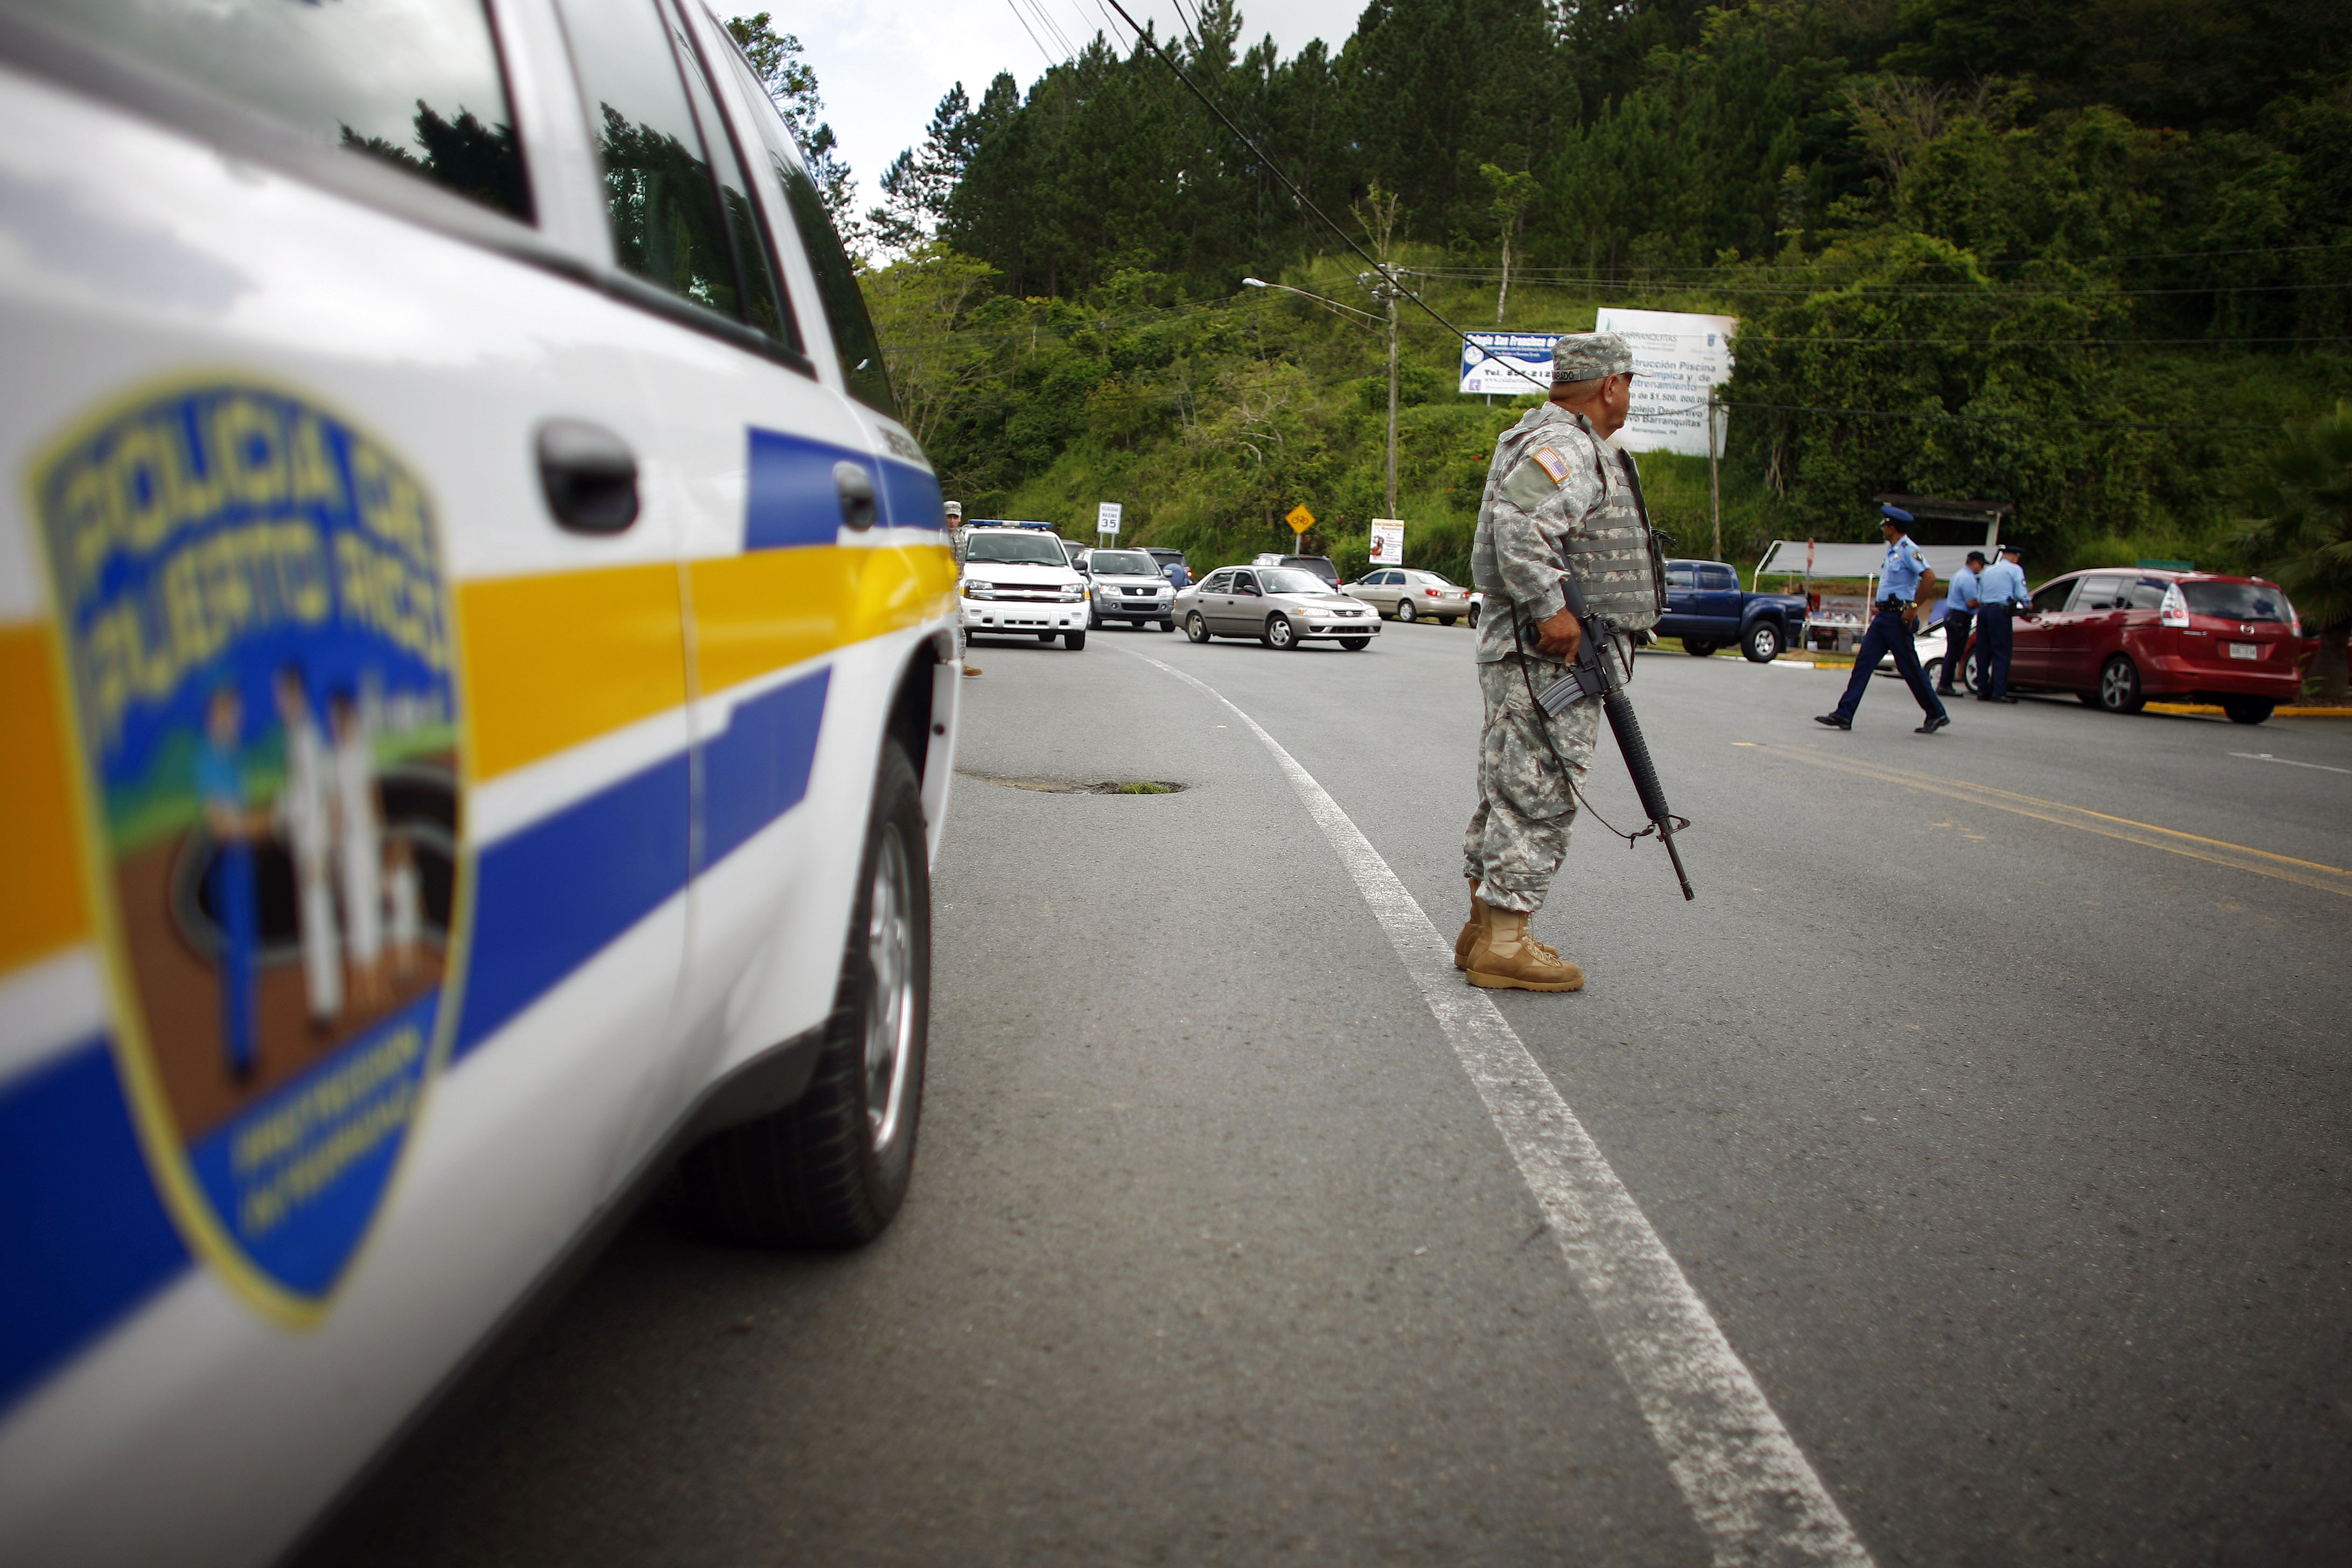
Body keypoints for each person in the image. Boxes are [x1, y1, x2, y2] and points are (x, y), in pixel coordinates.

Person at [1457, 333, 1658, 993]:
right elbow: (1518, 521)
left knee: (1509, 785)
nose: (1628, 393)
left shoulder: (1545, 436)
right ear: (1610, 385)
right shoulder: (1570, 445)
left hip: (1526, 652)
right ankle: (1506, 943)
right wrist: (1553, 610)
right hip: (1545, 654)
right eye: (1627, 380)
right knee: (1538, 790)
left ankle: (1485, 929)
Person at [1815, 506, 1950, 734]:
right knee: (1864, 664)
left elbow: (1930, 578)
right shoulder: (1893, 552)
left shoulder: (1909, 550)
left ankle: (1936, 713)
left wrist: (1914, 608)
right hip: (1884, 617)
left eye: (1885, 526)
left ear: (1892, 527)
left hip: (1898, 618)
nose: (1883, 529)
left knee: (1911, 669)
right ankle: (1845, 714)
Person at [273, 665, 342, 1030]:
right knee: (316, 921)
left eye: (282, 694)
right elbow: (298, 794)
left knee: (318, 923)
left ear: (294, 693)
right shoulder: (298, 735)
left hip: (311, 843)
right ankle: (325, 1001)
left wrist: (318, 849)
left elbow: (314, 796)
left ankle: (325, 1006)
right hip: (306, 841)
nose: (278, 701)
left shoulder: (304, 736)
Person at [198, 684, 261, 1082]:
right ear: (216, 716)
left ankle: (247, 1047)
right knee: (236, 959)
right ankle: (238, 1055)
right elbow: (223, 825)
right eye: (232, 714)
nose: (237, 721)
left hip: (243, 862)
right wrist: (268, 823)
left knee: (246, 955)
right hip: (227, 863)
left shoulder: (232, 759)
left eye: (237, 713)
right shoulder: (208, 762)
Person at [330, 690, 387, 1011]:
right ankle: (362, 984)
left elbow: (372, 792)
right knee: (355, 912)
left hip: (367, 838)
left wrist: (377, 831)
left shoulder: (362, 752)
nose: (341, 724)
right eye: (337, 719)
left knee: (371, 906)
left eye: (344, 717)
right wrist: (334, 841)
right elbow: (336, 804)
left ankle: (375, 982)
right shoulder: (335, 758)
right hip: (348, 844)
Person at [1974, 542, 2029, 702]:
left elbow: (1979, 596)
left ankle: (1983, 690)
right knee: (2001, 651)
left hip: (1983, 611)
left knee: (1983, 651)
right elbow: (2021, 593)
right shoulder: (2014, 570)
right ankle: (1999, 691)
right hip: (2000, 612)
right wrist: (2026, 604)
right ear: (2014, 557)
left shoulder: (1988, 570)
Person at [1936, 550, 1986, 696]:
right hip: (1961, 618)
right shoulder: (1968, 578)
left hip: (1953, 616)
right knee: (1954, 652)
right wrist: (1984, 602)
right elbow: (1971, 602)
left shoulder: (1959, 575)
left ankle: (1945, 683)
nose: (1982, 569)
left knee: (1952, 651)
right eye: (1981, 565)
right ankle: (1945, 684)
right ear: (1976, 563)